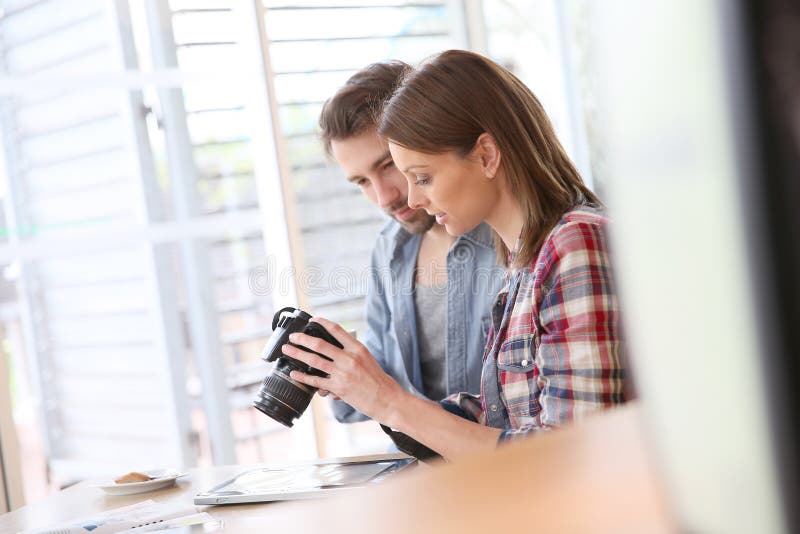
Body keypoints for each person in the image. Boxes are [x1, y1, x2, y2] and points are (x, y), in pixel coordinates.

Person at [287, 50, 625, 460]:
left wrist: (390, 401)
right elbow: (499, 415)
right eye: (362, 181)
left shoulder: (573, 245)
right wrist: (363, 385)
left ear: (486, 155)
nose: (406, 198)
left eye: (422, 177)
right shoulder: (524, 259)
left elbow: (574, 456)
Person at [317, 61, 505, 422]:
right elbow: (386, 375)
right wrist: (339, 372)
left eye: (388, 165)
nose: (384, 197)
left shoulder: (513, 237)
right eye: (361, 182)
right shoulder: (389, 249)